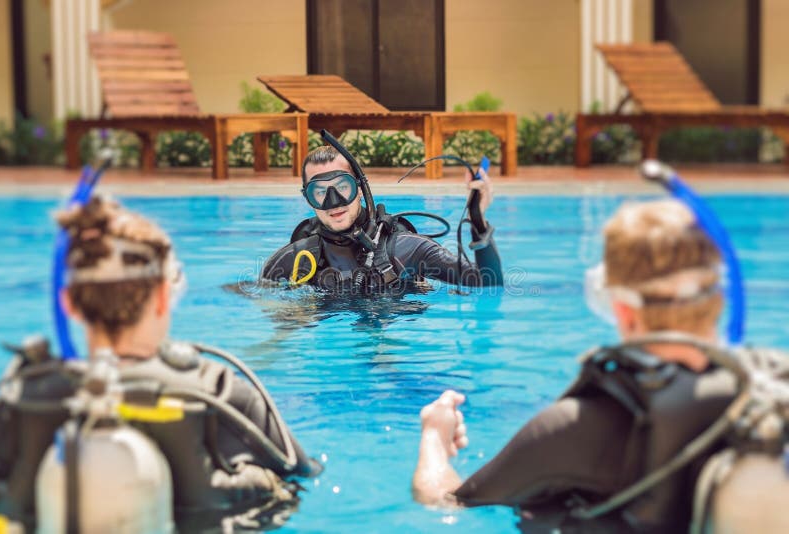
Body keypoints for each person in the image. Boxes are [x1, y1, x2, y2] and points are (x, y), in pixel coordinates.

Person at [0, 196, 320, 532]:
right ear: (164, 295)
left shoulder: (22, 398)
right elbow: (302, 475)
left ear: (69, 302)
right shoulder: (219, 392)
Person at [411, 199, 742, 532]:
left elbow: (445, 503)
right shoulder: (762, 395)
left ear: (622, 311)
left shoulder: (573, 426)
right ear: (719, 301)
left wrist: (435, 437)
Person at [260, 132, 503, 293]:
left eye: (342, 187)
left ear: (360, 187)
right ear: (307, 198)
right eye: (320, 192)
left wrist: (478, 222)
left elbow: (488, 282)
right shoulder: (294, 260)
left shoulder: (405, 249)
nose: (334, 202)